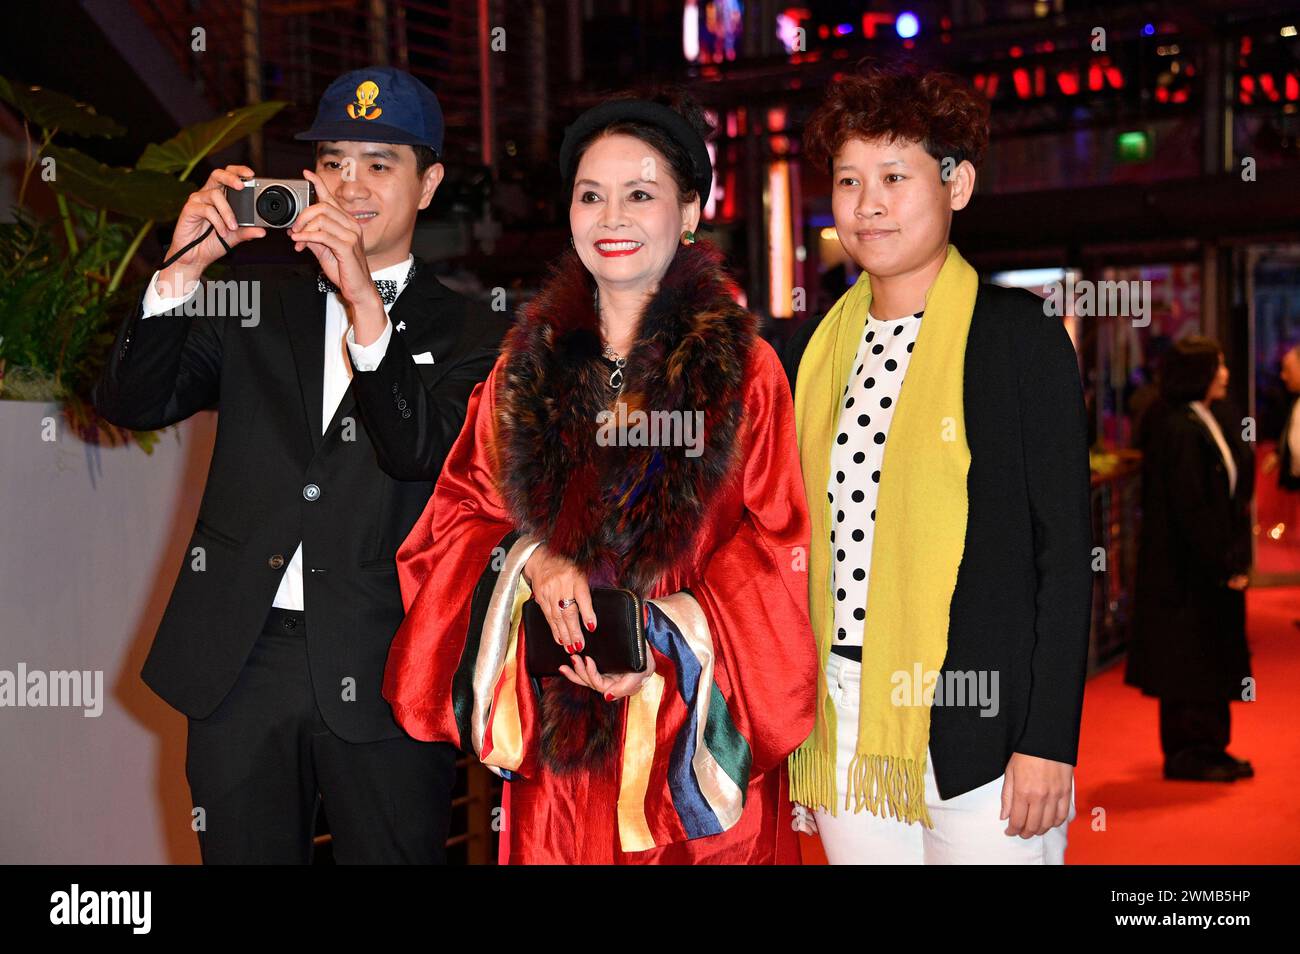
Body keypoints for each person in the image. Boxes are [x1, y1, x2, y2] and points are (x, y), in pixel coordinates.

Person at [383, 91, 818, 864]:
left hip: (692, 755)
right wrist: (534, 562)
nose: (611, 217)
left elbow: (777, 550)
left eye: (640, 195)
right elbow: (455, 521)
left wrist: (664, 642)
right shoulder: (525, 367)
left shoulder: (745, 373)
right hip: (560, 757)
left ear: (688, 213)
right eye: (592, 196)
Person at [94, 66, 509, 863]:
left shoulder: (474, 334)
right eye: (334, 163)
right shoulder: (254, 302)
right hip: (242, 659)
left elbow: (418, 447)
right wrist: (184, 267)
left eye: (379, 165)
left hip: (388, 661)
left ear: (428, 186)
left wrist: (363, 305)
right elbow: (131, 403)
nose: (351, 185)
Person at [782, 62, 1092, 864]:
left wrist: (1049, 739)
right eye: (849, 180)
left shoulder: (1018, 337)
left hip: (983, 718)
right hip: (848, 717)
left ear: (957, 185)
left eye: (894, 175)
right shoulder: (813, 352)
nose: (868, 203)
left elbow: (1065, 555)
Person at [1126, 336, 1254, 781]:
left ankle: (1212, 749)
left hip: (1208, 568)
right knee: (1190, 664)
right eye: (1217, 365)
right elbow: (1190, 508)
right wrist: (1222, 564)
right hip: (1186, 575)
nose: (1225, 373)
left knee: (1212, 660)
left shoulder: (1207, 416)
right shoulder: (1176, 427)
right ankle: (1190, 755)